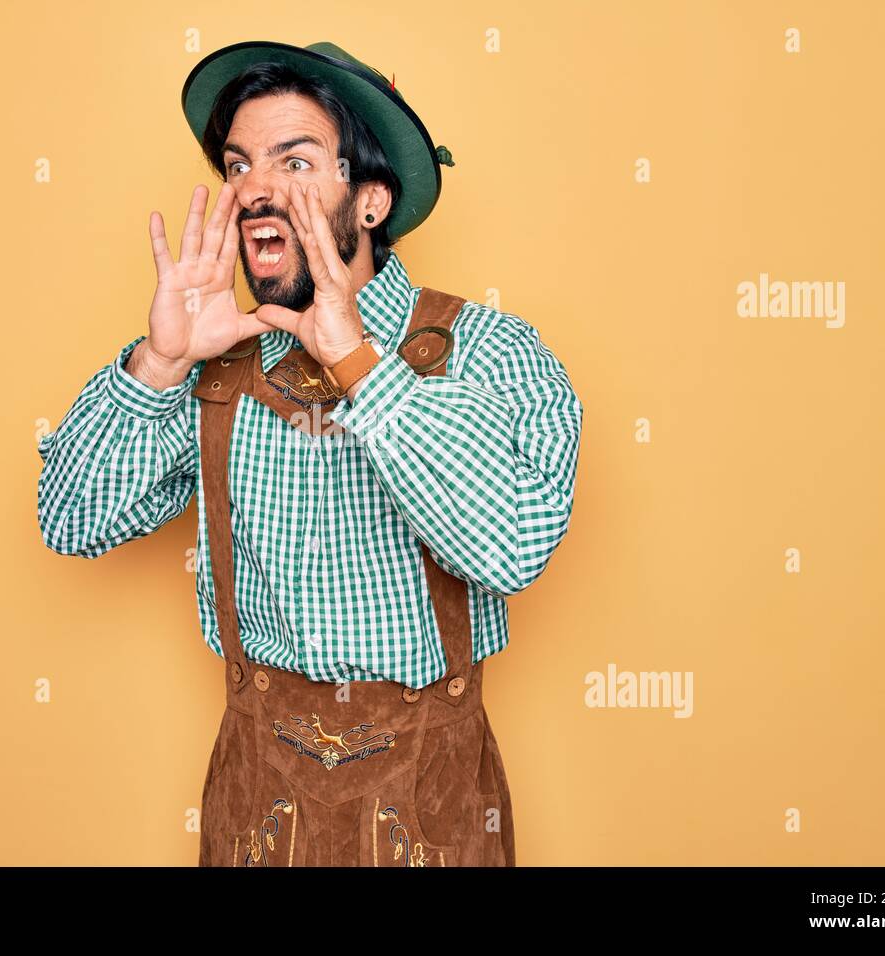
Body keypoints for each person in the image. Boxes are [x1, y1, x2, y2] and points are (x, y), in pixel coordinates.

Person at [37, 41, 583, 866]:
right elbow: (70, 520)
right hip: (257, 806)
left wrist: (359, 364)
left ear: (369, 202)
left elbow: (510, 547)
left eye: (294, 160)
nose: (255, 188)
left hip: (431, 810)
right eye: (238, 164)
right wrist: (161, 362)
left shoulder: (493, 351)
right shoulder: (210, 368)